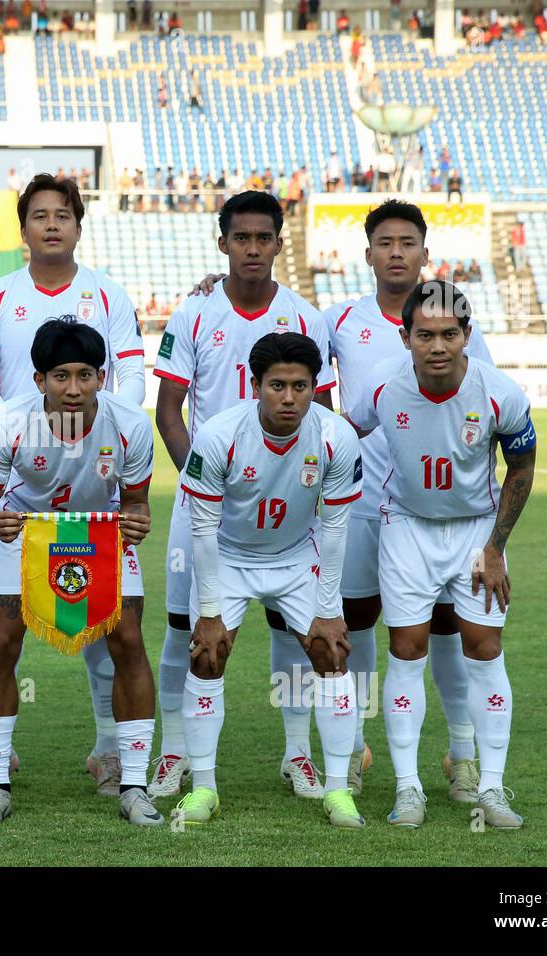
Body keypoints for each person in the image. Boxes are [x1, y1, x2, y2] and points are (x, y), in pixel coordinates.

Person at [151, 191, 337, 799]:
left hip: (285, 512)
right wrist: (204, 485)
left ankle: (297, 754)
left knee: (293, 633)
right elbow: (169, 411)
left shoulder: (307, 316)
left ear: (280, 243)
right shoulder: (195, 311)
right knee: (187, 630)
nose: (252, 248)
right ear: (222, 241)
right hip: (205, 511)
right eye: (241, 238)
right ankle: (174, 753)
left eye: (264, 238)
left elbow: (325, 415)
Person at [0, 174, 146, 794]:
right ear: (23, 229)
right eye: (38, 215)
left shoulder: (108, 295)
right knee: (5, 632)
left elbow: (131, 376)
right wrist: (23, 434)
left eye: (62, 215)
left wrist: (98, 427)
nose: (50, 224)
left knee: (109, 630)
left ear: (77, 224)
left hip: (93, 477)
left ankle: (113, 755)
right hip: (23, 474)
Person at [345, 281, 535, 830]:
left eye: (449, 334)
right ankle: (408, 789)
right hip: (405, 528)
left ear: (467, 336)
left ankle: (492, 789)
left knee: (484, 647)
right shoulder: (382, 386)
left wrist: (495, 548)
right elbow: (341, 433)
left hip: (476, 532)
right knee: (406, 650)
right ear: (404, 338)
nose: (437, 346)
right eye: (424, 334)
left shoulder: (500, 392)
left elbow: (522, 467)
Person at [323, 200, 494, 801]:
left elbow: (486, 412)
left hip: (439, 515)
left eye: (408, 243)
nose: (396, 252)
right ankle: (354, 749)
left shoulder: (454, 322)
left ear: (426, 252)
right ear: (367, 252)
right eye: (385, 242)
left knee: (448, 630)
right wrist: (213, 288)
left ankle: (462, 754)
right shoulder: (337, 320)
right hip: (362, 505)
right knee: (361, 627)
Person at [0, 320, 161, 827]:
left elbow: (137, 504)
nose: (73, 389)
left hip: (100, 531)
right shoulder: (7, 423)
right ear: (39, 380)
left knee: (129, 641)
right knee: (2, 642)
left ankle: (135, 784)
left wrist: (137, 522)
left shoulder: (131, 425)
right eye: (59, 376)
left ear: (102, 377)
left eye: (85, 376)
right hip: (27, 530)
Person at [177, 331, 363, 828]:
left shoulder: (335, 437)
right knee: (207, 655)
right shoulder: (219, 435)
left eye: (300, 386)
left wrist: (328, 608)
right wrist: (211, 611)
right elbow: (202, 528)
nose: (289, 398)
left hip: (299, 555)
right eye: (277, 385)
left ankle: (339, 792)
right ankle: (203, 789)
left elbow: (337, 527)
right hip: (230, 557)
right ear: (254, 384)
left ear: (315, 387)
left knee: (332, 652)